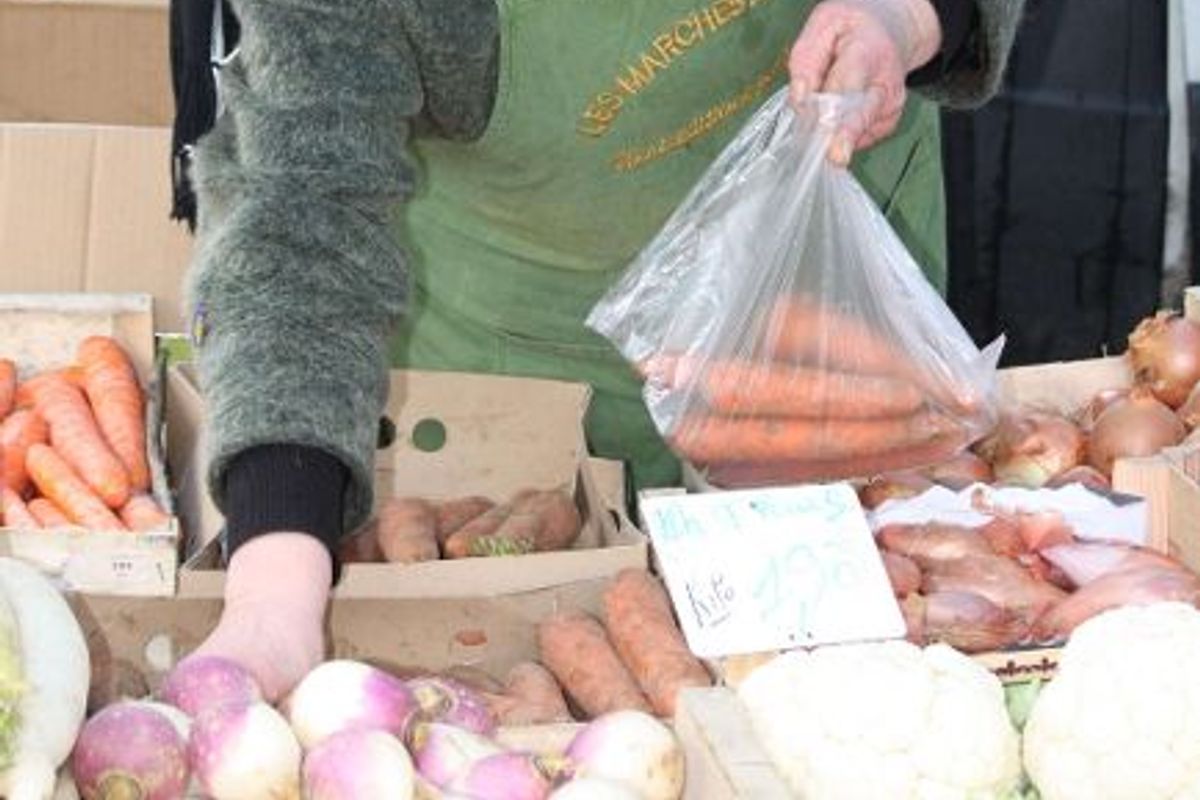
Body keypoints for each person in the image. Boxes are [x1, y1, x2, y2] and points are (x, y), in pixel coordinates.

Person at [171, 0, 1025, 700]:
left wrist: (907, 18)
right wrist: (274, 601)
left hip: (830, 301)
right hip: (528, 368)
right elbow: (301, 219)